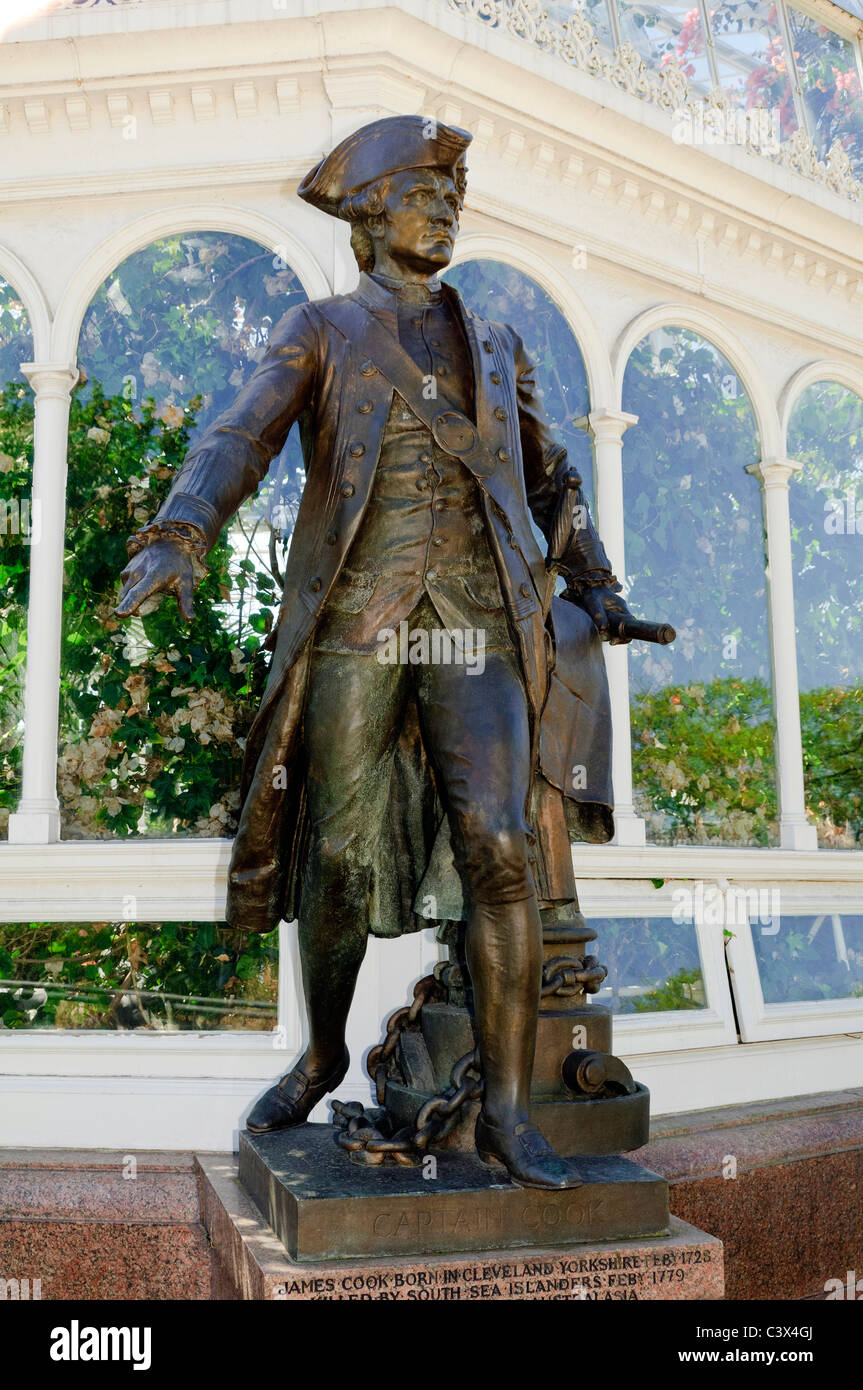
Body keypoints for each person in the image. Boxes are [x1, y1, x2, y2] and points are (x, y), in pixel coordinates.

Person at [116, 116, 636, 1189]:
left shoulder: (495, 343)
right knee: (339, 860)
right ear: (367, 216)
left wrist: (597, 583)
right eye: (422, 193)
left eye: (453, 196)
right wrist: (179, 531)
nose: (444, 209)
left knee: (501, 850)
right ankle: (320, 1051)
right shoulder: (319, 329)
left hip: (475, 627)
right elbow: (238, 432)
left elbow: (551, 477)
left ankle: (499, 1108)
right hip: (360, 617)